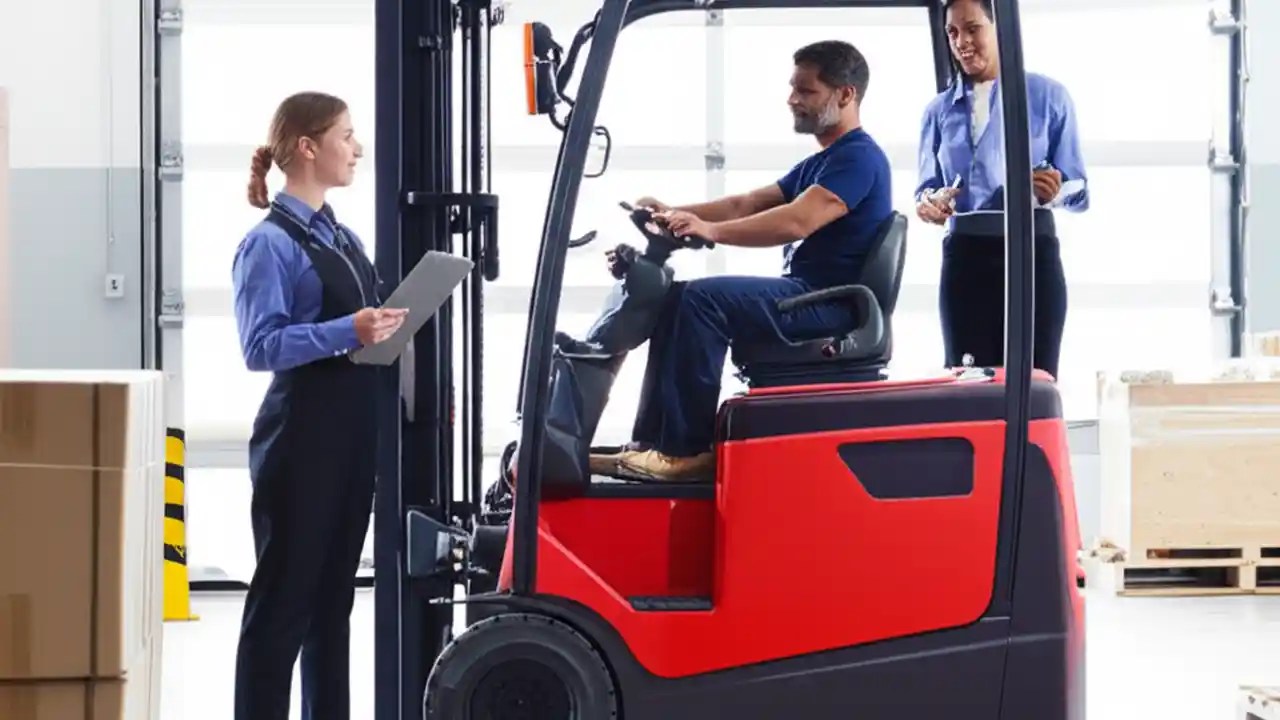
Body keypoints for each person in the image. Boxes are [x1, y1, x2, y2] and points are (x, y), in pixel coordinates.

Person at [590, 40, 893, 482]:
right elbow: (745, 204)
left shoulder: (859, 158)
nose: (792, 99)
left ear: (845, 95)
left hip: (828, 303)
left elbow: (796, 221)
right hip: (808, 295)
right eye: (793, 88)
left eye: (806, 91)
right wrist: (676, 211)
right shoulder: (822, 162)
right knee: (677, 298)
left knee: (702, 301)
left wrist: (708, 231)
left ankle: (686, 452)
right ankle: (652, 444)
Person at [230, 91, 408, 720]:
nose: (357, 148)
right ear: (307, 147)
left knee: (333, 604)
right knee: (283, 605)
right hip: (300, 441)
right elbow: (260, 346)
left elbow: (363, 320)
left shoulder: (341, 234)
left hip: (352, 439)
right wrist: (348, 332)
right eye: (347, 136)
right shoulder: (269, 245)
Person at [915, 0, 1089, 379]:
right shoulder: (938, 111)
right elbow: (926, 188)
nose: (962, 42)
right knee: (968, 382)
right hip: (965, 256)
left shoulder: (1048, 97)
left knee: (1036, 379)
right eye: (953, 32)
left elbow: (1080, 190)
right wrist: (929, 204)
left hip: (1031, 252)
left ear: (999, 29)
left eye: (972, 28)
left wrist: (1052, 191)